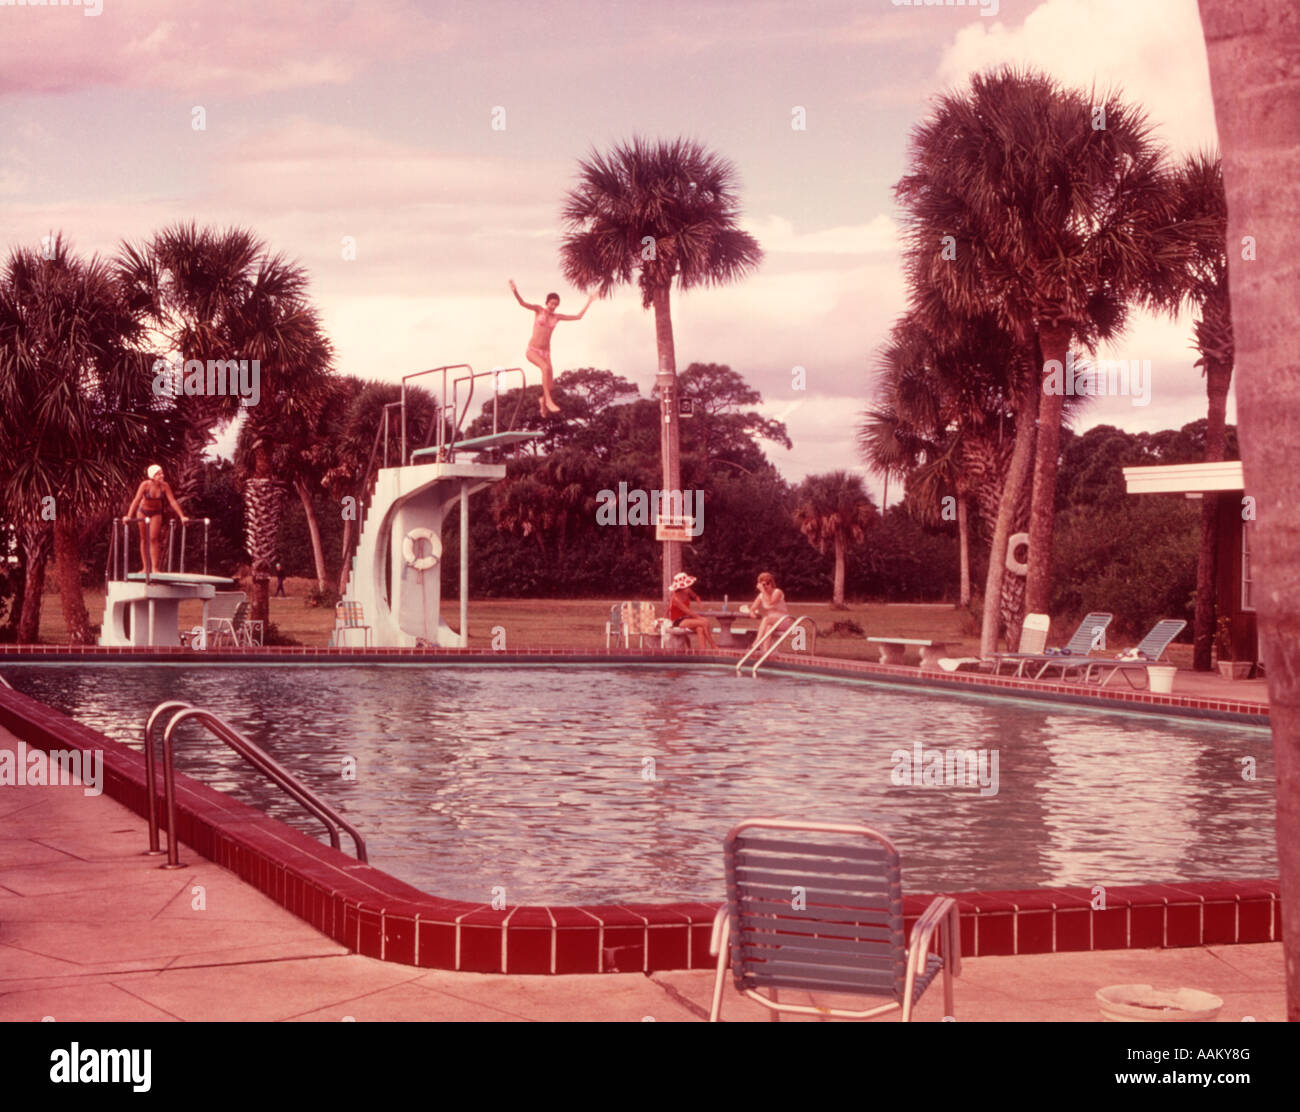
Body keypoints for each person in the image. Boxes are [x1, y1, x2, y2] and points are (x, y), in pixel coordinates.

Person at [508, 279, 594, 417]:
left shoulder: (557, 317)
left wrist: (589, 301)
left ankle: (542, 400)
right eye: (552, 303)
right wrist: (515, 291)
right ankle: (548, 400)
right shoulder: (538, 310)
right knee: (545, 368)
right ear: (547, 302)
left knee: (551, 385)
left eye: (556, 304)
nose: (553, 306)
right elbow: (522, 303)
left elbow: (578, 316)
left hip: (546, 353)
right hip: (532, 350)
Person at [124, 464, 188, 581]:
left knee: (154, 539)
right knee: (144, 539)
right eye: (158, 474)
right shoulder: (145, 485)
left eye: (162, 473)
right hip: (142, 512)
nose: (161, 475)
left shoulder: (164, 486)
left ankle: (154, 567)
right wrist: (128, 516)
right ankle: (145, 567)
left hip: (156, 513)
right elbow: (136, 500)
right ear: (152, 476)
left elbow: (172, 501)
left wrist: (182, 516)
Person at [667, 572, 718, 652]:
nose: (688, 585)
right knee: (705, 622)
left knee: (700, 628)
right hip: (678, 621)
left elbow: (695, 596)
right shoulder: (675, 598)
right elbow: (687, 611)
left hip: (685, 618)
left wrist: (699, 602)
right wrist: (699, 618)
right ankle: (713, 645)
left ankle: (703, 652)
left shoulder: (686, 591)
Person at [748, 571, 791, 649]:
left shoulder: (777, 592)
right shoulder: (761, 595)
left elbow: (770, 602)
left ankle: (757, 642)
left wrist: (763, 591)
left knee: (766, 619)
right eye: (763, 585)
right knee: (768, 628)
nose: (766, 586)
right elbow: (752, 608)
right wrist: (752, 613)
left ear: (772, 583)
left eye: (768, 583)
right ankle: (766, 652)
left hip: (784, 621)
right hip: (772, 621)